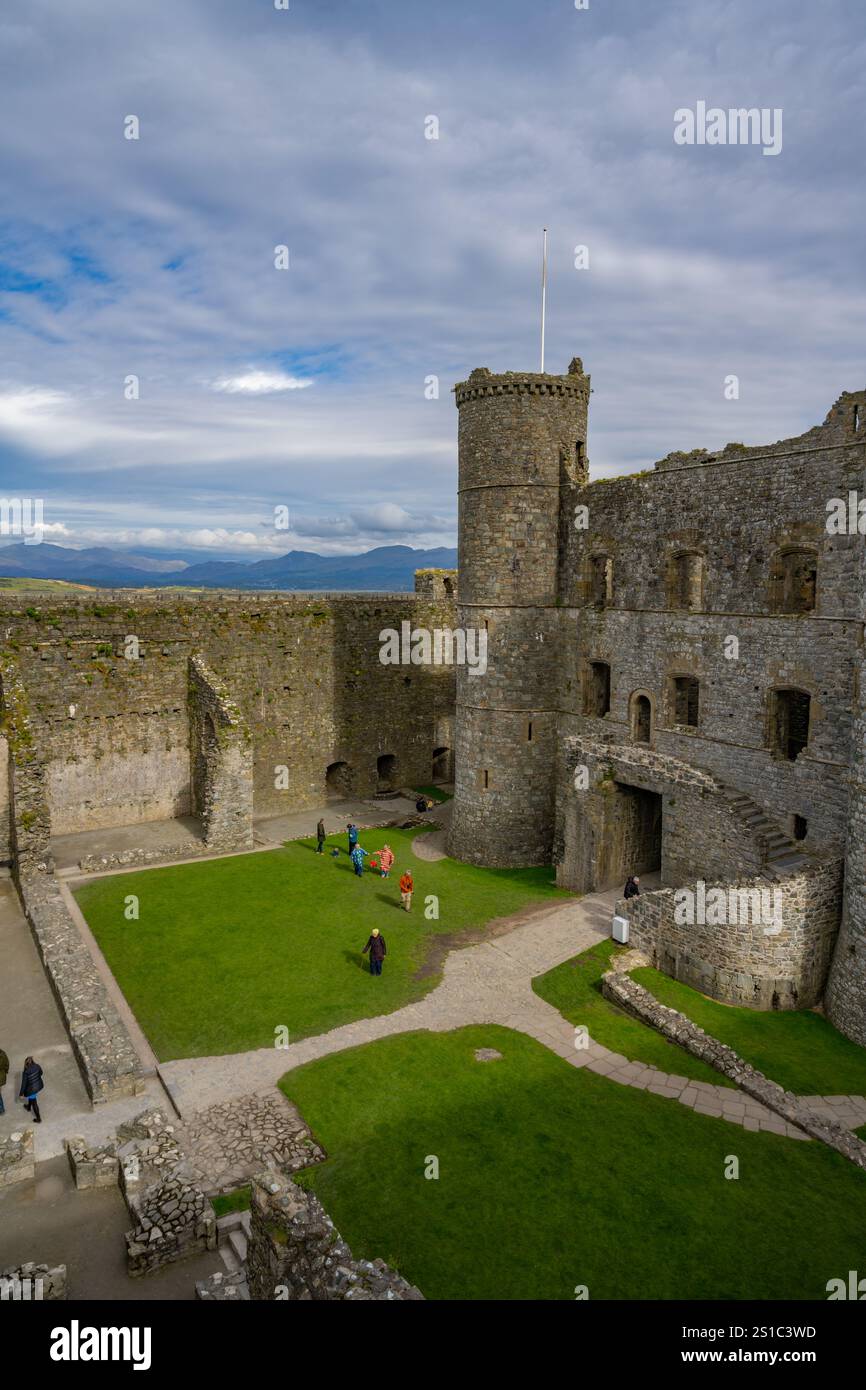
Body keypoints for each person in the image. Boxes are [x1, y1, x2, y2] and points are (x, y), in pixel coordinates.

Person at [19, 1056, 44, 1124]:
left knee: (34, 1103)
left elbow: (23, 1084)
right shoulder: (37, 1066)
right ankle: (28, 1107)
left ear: (25, 1064)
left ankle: (38, 1118)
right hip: (38, 1085)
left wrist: (21, 1094)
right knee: (31, 1097)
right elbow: (41, 1073)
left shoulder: (25, 1072)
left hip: (31, 1089)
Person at [0, 1044, 8, 1115]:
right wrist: (5, 1071)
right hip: (2, 1077)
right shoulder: (3, 1053)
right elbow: (7, 1064)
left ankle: (1, 1109)